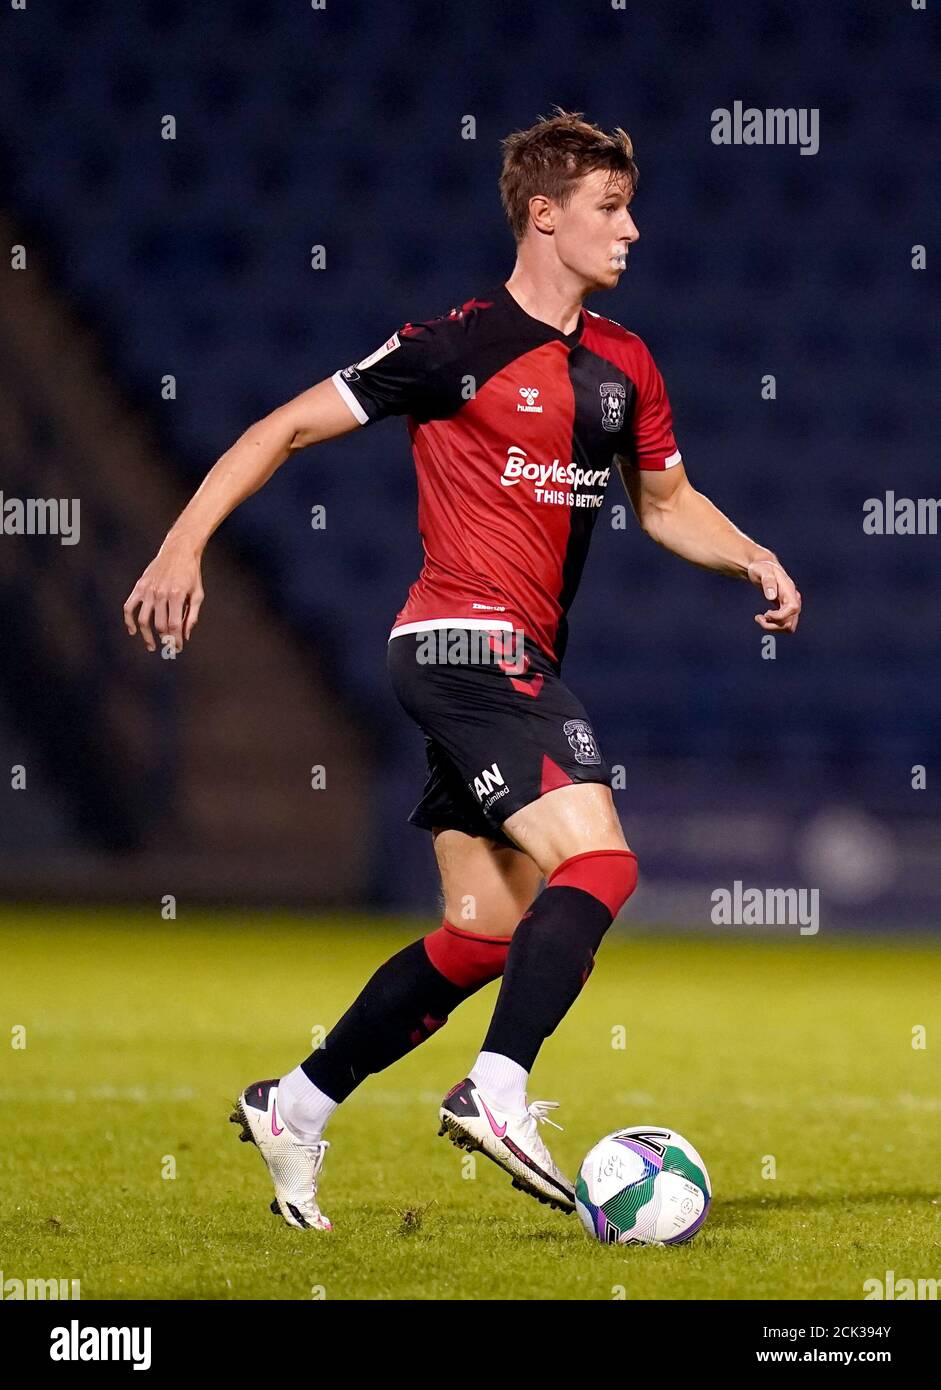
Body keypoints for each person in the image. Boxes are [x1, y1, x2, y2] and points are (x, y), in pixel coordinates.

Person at [124, 109, 801, 1232]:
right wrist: (182, 542)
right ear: (543, 215)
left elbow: (668, 503)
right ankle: (496, 1089)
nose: (631, 229)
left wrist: (752, 555)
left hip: (507, 657)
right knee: (604, 865)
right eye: (608, 208)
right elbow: (283, 428)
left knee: (486, 926)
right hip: (461, 645)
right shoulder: (449, 345)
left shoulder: (624, 365)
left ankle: (295, 1103)